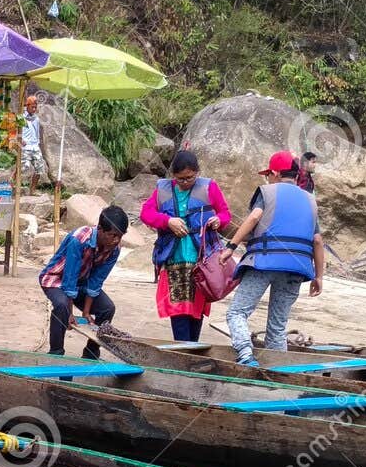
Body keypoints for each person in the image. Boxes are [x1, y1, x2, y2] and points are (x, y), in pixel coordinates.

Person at [221, 151, 324, 365]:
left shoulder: (267, 192)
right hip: (297, 268)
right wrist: (319, 277)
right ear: (296, 175)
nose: (267, 178)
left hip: (264, 262)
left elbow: (255, 217)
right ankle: (278, 370)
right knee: (277, 326)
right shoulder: (310, 200)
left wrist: (231, 246)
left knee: (237, 313)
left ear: (276, 173)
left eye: (269, 174)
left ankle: (246, 354)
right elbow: (317, 241)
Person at [140, 149, 231, 341]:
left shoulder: (209, 187)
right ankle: (183, 346)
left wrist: (217, 220)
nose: (185, 183)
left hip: (201, 260)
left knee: (196, 305)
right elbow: (146, 214)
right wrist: (167, 221)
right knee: (178, 306)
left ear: (197, 173)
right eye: (180, 179)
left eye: (190, 178)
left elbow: (225, 213)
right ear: (173, 175)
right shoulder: (163, 189)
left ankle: (192, 346)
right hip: (174, 258)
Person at [40, 204, 129, 357]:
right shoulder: (80, 239)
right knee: (62, 306)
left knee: (108, 308)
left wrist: (87, 312)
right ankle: (56, 352)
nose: (116, 240)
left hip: (82, 282)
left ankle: (91, 353)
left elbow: (96, 281)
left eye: (120, 236)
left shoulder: (115, 249)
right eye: (112, 235)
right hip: (56, 278)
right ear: (100, 229)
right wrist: (70, 314)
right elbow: (69, 278)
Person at [20, 94, 46, 191]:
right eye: (32, 107)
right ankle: (11, 185)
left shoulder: (36, 119)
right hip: (25, 147)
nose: (34, 109)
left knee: (39, 169)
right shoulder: (21, 117)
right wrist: (20, 139)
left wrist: (37, 143)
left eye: (35, 107)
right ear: (27, 106)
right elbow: (16, 130)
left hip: (35, 146)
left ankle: (32, 190)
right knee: (23, 168)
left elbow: (37, 133)